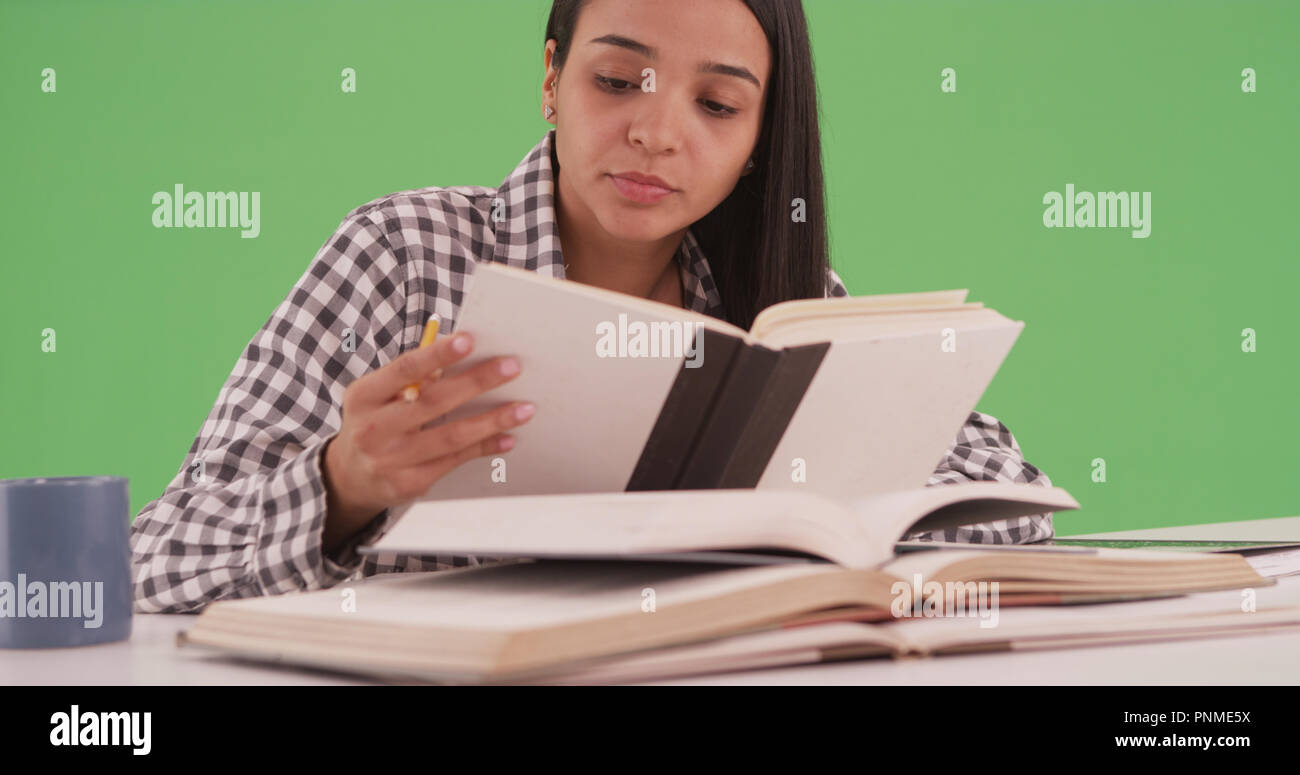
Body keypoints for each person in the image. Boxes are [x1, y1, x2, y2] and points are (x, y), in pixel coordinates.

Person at [130, 0, 1054, 615]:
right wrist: (343, 482)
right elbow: (150, 560)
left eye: (718, 105)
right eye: (618, 82)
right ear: (551, 79)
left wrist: (856, 495)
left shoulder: (783, 306)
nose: (656, 131)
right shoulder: (403, 255)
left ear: (759, 142)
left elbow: (1017, 505)